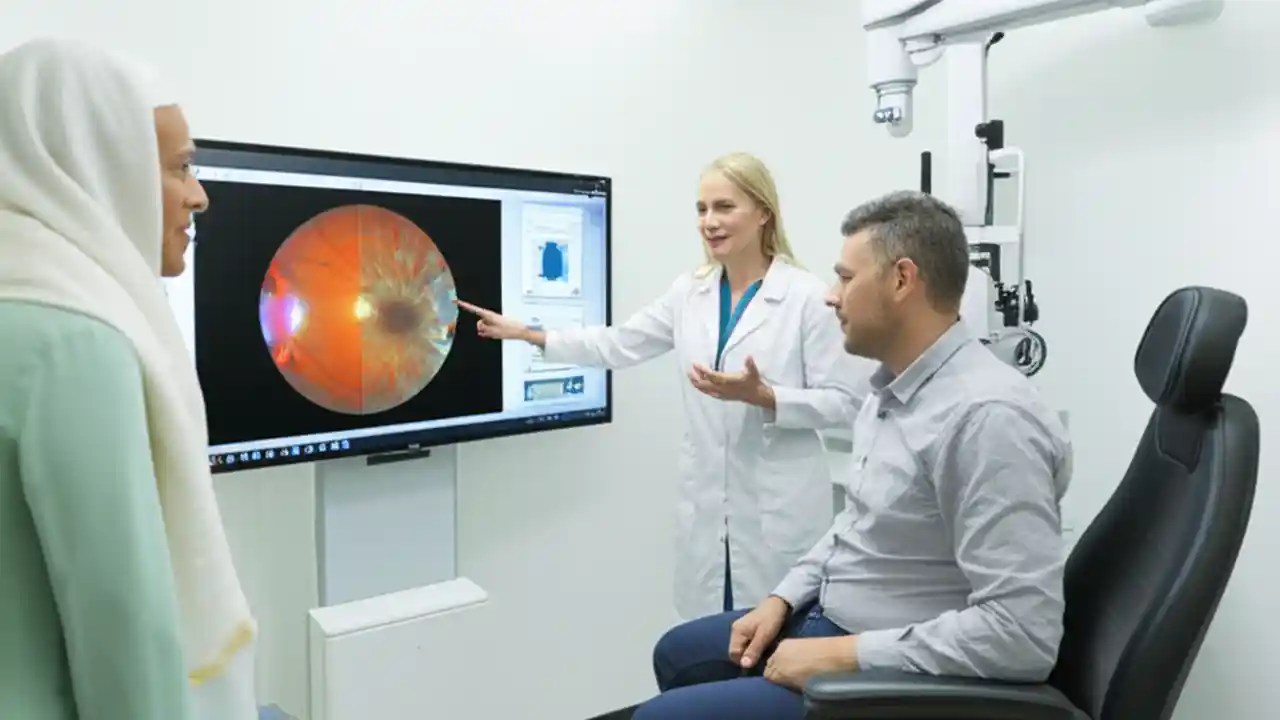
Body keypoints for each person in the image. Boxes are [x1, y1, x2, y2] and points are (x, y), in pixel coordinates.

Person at [630, 190, 1073, 720]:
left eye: (845, 277)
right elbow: (856, 526)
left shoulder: (987, 419)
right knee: (677, 652)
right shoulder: (892, 389)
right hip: (838, 615)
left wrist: (840, 655)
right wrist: (782, 599)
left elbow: (1022, 635)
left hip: (894, 670)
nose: (830, 296)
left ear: (902, 280)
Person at [458, 152, 872, 619]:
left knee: (776, 654)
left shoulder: (805, 297)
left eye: (724, 207)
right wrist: (530, 334)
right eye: (701, 209)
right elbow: (618, 344)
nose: (709, 222)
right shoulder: (688, 293)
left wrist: (768, 398)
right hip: (708, 514)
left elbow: (848, 402)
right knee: (707, 645)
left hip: (779, 516)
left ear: (763, 214)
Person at [0, 39, 258, 718]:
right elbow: (123, 625)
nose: (197, 196)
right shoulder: (76, 341)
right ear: (93, 162)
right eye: (180, 168)